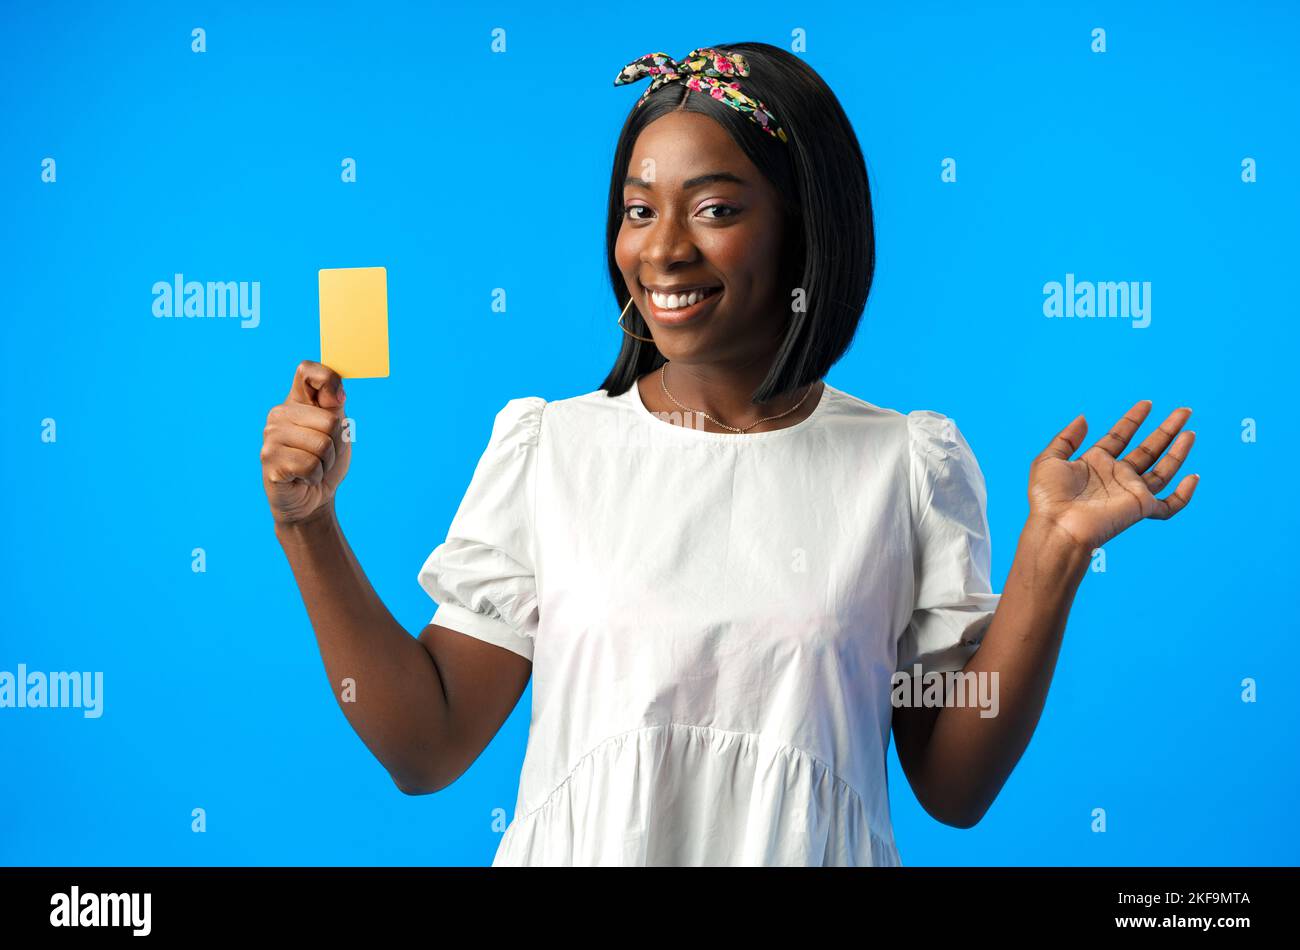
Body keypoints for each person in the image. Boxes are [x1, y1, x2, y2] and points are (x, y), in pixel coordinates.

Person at [260, 42, 1199, 866]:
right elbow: (426, 748)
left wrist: (1054, 553)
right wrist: (308, 525)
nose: (662, 249)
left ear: (802, 228)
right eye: (638, 210)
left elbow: (954, 789)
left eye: (712, 208)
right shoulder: (551, 450)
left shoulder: (904, 466)